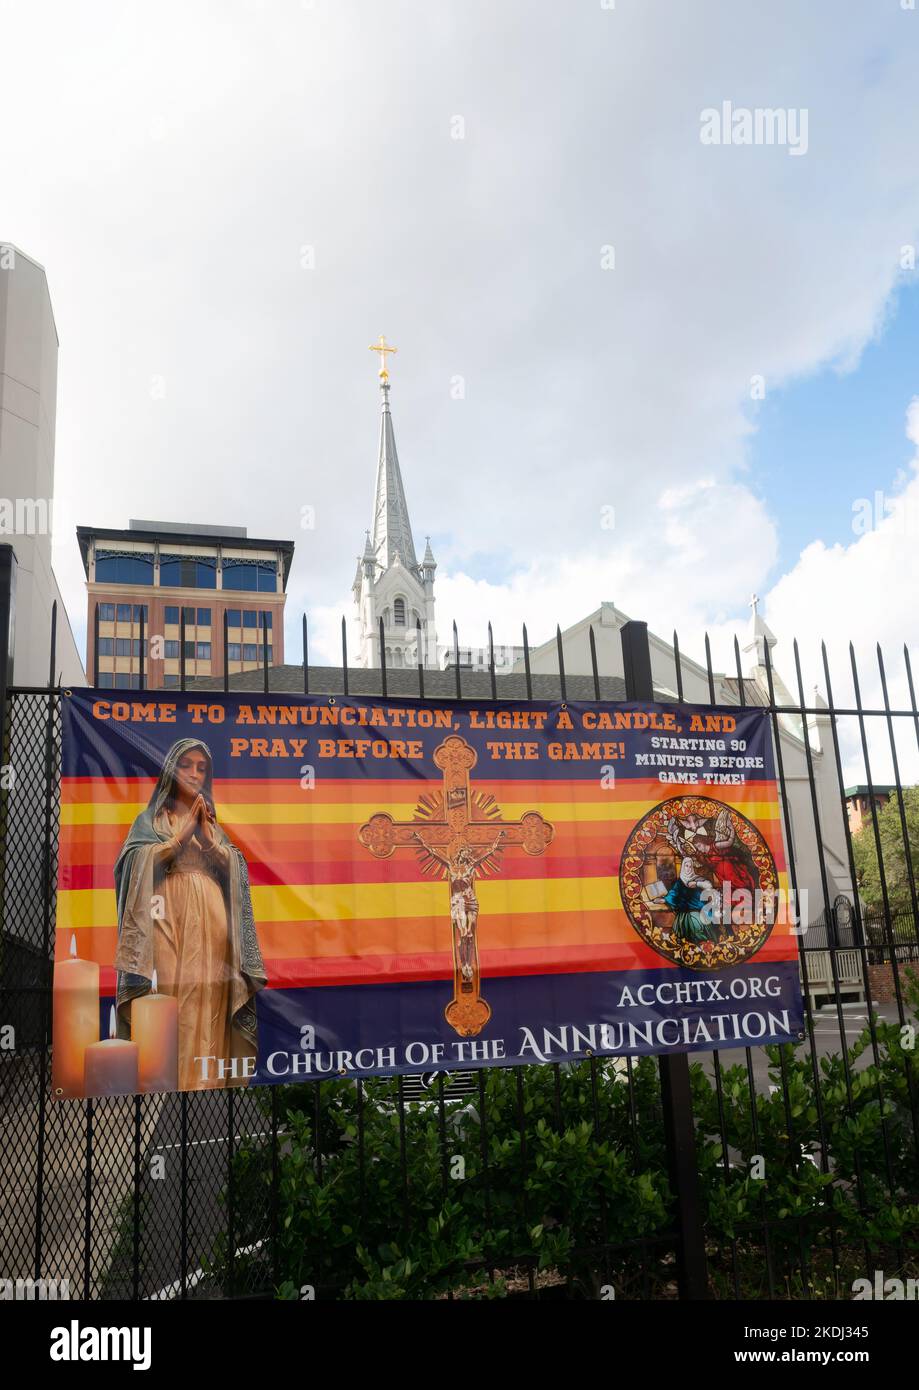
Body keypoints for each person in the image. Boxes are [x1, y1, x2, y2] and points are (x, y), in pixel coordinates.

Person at [113, 737, 266, 1090]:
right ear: (171, 769)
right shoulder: (151, 820)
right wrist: (178, 841)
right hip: (164, 914)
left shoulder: (213, 824)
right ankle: (168, 1082)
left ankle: (206, 1083)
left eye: (201, 767)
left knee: (211, 993)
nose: (194, 773)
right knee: (167, 994)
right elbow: (131, 865)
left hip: (213, 919)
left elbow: (236, 872)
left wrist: (212, 844)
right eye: (186, 765)